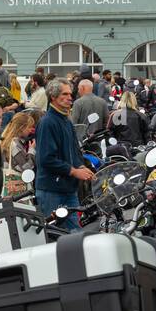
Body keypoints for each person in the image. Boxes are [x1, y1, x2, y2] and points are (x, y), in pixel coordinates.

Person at [35, 80, 94, 228]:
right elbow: (46, 159)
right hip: (51, 191)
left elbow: (74, 150)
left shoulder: (66, 121)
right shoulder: (48, 122)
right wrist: (74, 171)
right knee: (55, 237)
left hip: (68, 188)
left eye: (70, 94)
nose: (70, 97)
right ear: (53, 97)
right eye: (65, 94)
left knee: (74, 234)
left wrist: (81, 166)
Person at [0, 112, 36, 197]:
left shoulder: (6, 140)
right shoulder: (15, 144)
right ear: (21, 128)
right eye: (29, 127)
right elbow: (27, 167)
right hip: (19, 193)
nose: (30, 130)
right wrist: (32, 150)